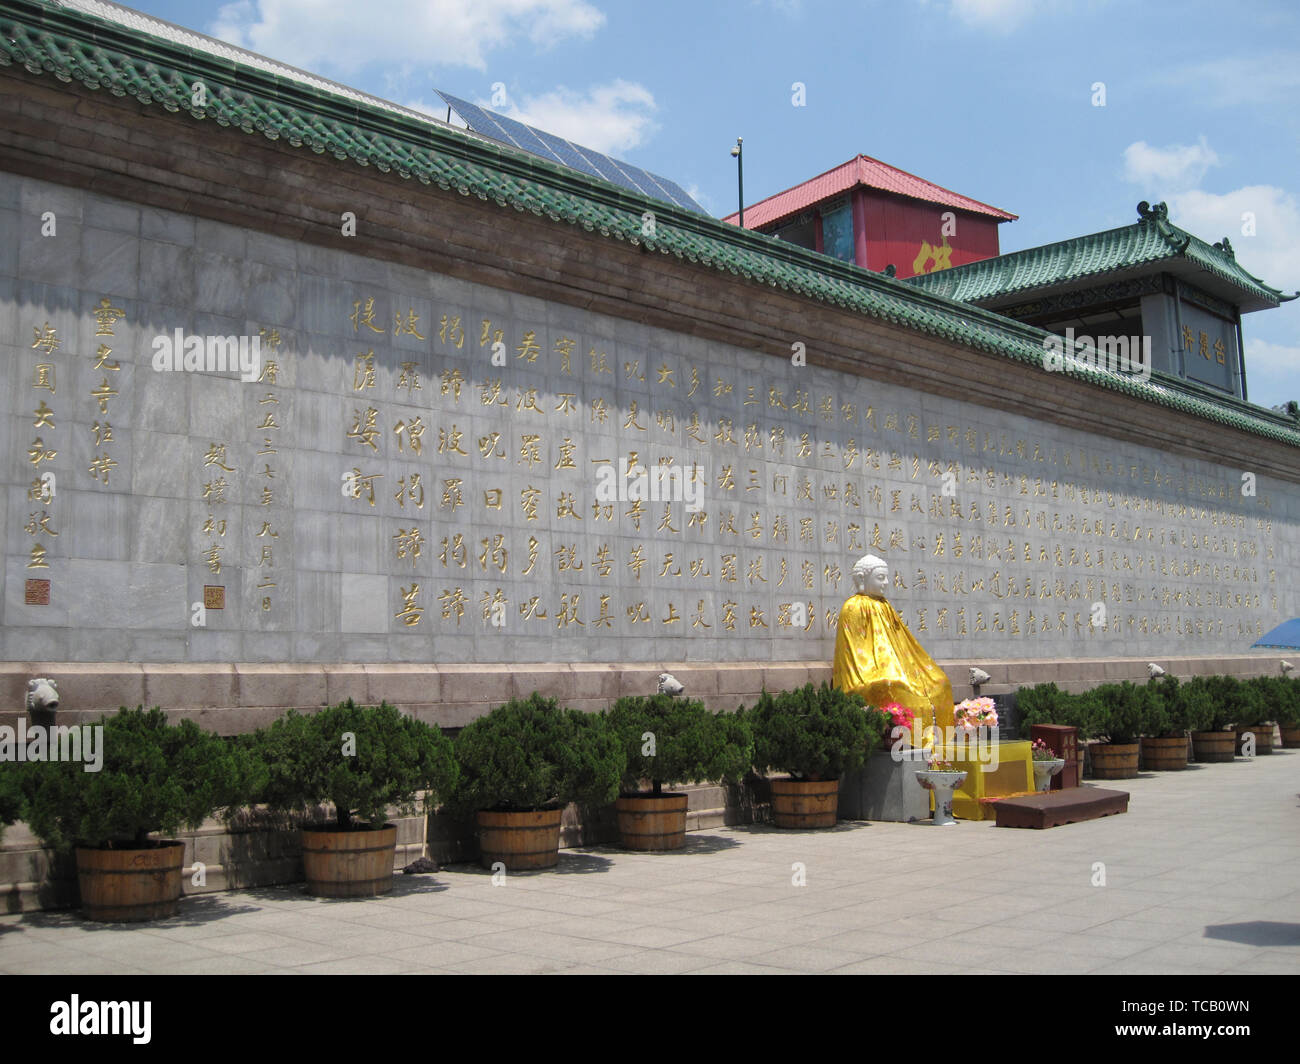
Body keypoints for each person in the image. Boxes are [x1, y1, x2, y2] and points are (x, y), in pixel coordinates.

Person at [832, 554, 954, 733]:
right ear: (862, 579)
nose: (886, 582)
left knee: (939, 682)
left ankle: (939, 745)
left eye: (887, 577)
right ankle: (905, 736)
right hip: (868, 672)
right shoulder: (853, 607)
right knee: (893, 683)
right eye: (880, 578)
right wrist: (883, 671)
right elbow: (854, 652)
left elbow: (903, 643)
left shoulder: (885, 605)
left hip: (899, 667)